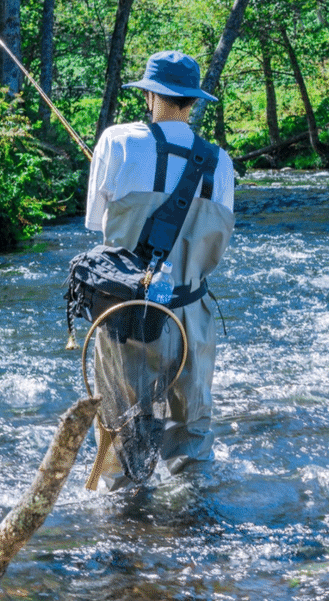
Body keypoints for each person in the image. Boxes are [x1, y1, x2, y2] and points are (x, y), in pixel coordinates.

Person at [84, 50, 236, 490]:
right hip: (191, 314)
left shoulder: (116, 141)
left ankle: (126, 534)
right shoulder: (220, 162)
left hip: (128, 314)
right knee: (193, 436)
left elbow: (97, 223)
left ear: (151, 95)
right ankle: (193, 532)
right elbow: (217, 242)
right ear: (192, 101)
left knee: (121, 435)